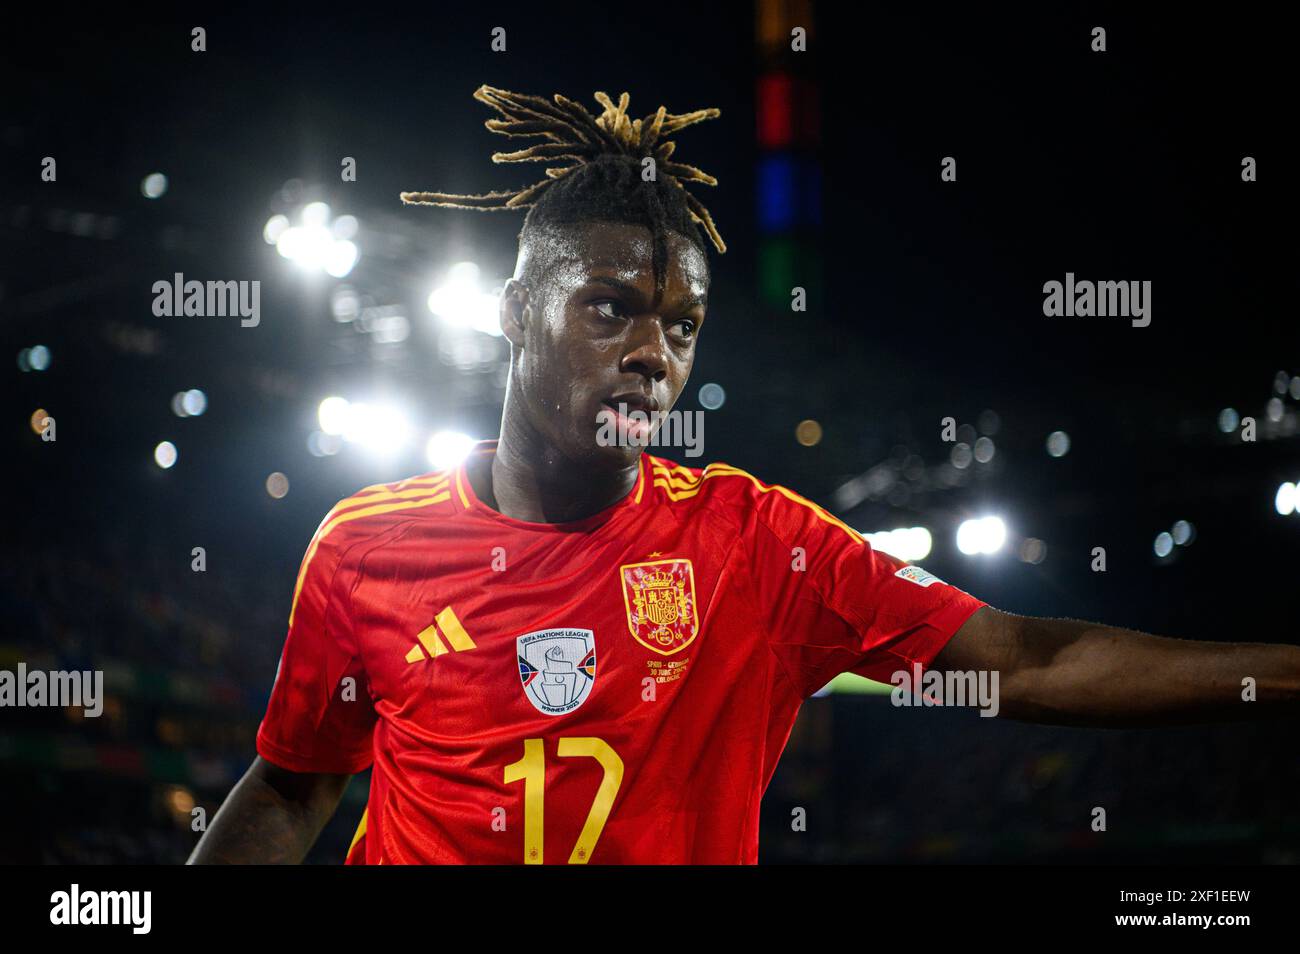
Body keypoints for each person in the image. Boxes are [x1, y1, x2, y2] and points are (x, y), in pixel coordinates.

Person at [189, 85, 1298, 865]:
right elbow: (294, 785)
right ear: (514, 310)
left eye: (683, 325)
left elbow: (1027, 661)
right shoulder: (363, 546)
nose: (652, 353)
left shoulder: (755, 543)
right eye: (611, 306)